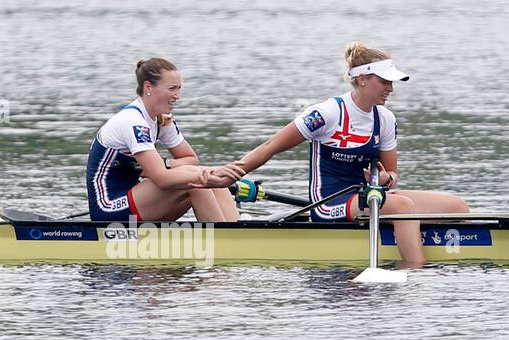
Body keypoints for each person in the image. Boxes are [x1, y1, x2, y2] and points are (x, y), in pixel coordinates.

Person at [229, 42, 468, 267]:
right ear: (362, 79)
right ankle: (413, 269)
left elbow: (392, 174)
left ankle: (403, 234)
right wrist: (228, 175)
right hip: (328, 203)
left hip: (369, 197)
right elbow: (271, 146)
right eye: (385, 81)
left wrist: (387, 180)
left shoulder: (385, 119)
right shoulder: (327, 113)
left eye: (392, 83)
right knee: (403, 206)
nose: (391, 89)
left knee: (457, 208)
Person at [86, 58, 242, 223]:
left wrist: (166, 164)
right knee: (197, 182)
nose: (177, 96)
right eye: (172, 89)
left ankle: (237, 230)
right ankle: (223, 240)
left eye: (179, 89)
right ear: (148, 87)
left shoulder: (161, 119)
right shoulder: (133, 121)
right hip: (108, 208)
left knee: (208, 174)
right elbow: (161, 178)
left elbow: (191, 159)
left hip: (136, 197)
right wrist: (198, 177)